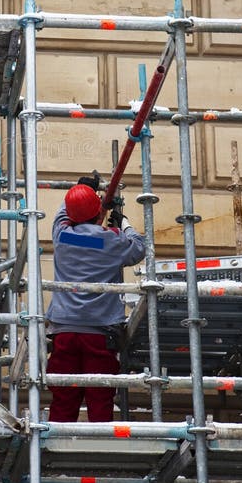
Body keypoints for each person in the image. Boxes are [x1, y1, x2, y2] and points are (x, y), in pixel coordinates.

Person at [46, 174, 145, 422]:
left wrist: (81, 188)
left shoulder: (63, 237)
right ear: (97, 213)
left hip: (64, 330)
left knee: (64, 394)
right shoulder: (109, 240)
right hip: (100, 333)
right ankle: (101, 448)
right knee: (100, 395)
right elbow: (139, 248)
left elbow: (62, 215)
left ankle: (57, 450)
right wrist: (124, 224)